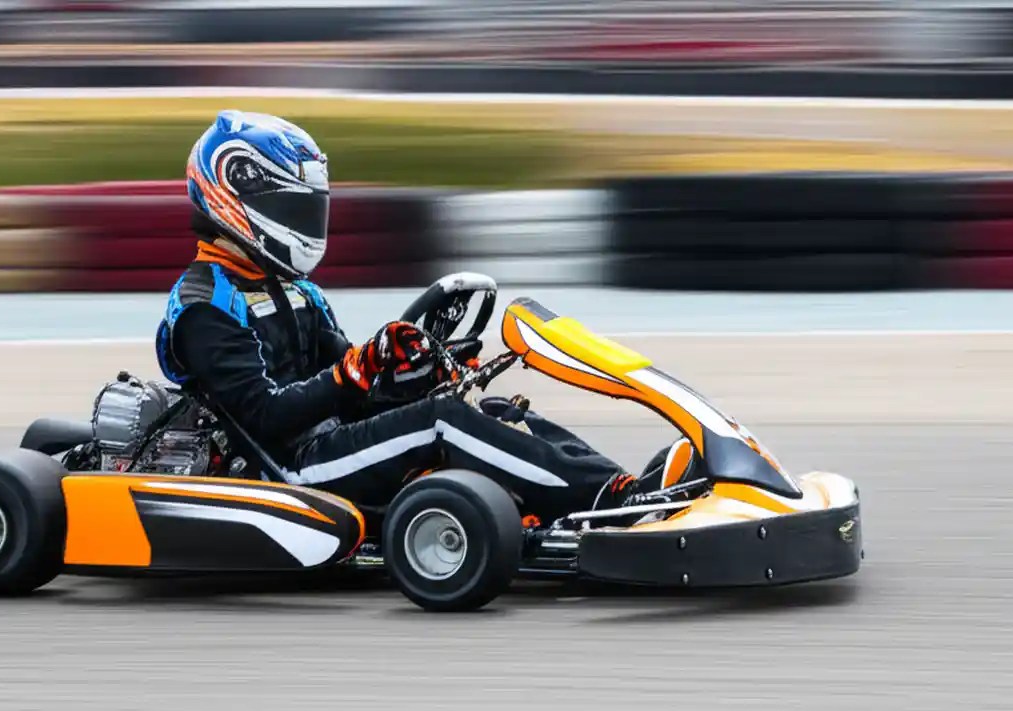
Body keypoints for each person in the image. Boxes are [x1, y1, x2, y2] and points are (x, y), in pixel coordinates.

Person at [156, 110, 696, 523]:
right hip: (291, 470)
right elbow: (266, 416)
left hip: (333, 441)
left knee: (491, 409)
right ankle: (608, 502)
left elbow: (351, 387)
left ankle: (623, 489)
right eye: (291, 209)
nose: (304, 223)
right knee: (442, 421)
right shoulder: (205, 305)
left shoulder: (297, 291)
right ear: (234, 199)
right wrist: (354, 372)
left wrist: (410, 368)